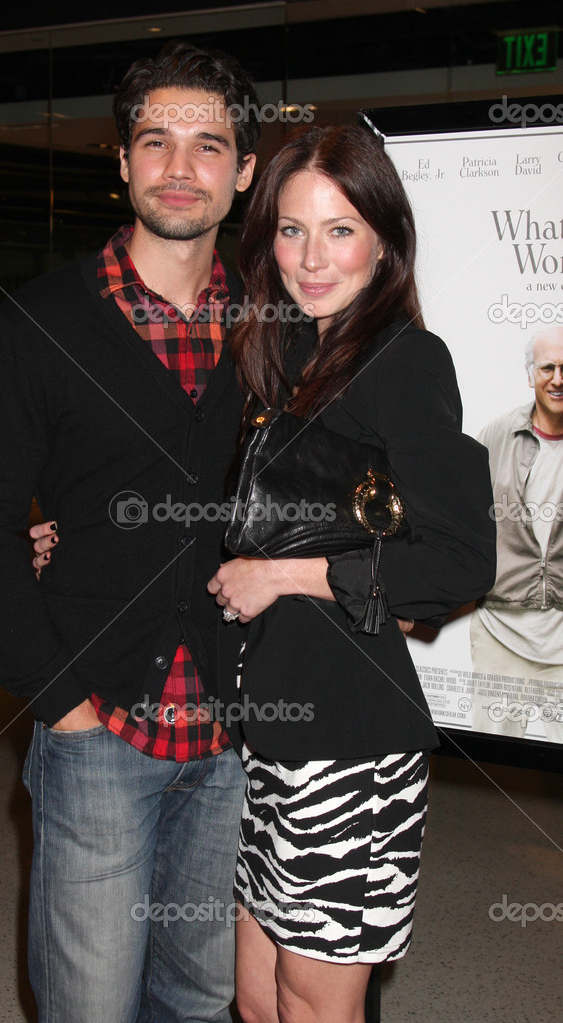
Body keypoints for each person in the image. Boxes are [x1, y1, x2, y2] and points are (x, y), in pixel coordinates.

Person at [0, 41, 258, 1023]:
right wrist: (58, 701)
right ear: (120, 161)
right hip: (96, 725)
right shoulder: (39, 322)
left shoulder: (275, 326)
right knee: (87, 1001)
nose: (180, 167)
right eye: (154, 141)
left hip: (236, 731)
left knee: (202, 998)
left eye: (208, 145)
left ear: (243, 172)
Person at [204, 124, 496, 1023]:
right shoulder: (283, 354)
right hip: (274, 735)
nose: (311, 257)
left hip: (353, 746)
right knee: (257, 997)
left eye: (339, 229)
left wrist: (288, 576)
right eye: (291, 229)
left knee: (315, 1004)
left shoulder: (408, 361)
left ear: (383, 237)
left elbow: (459, 558)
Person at [470, 326, 563, 743]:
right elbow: (461, 519)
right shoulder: (495, 437)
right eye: (547, 367)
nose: (557, 379)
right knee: (492, 762)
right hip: (501, 637)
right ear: (531, 375)